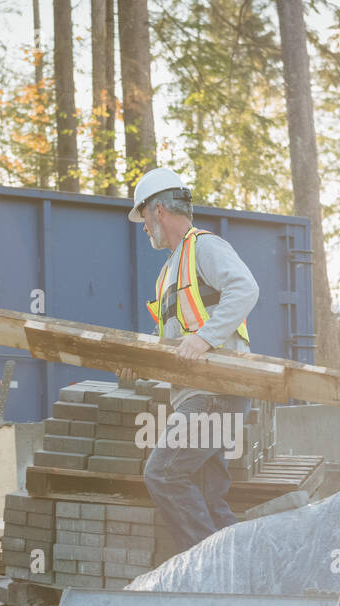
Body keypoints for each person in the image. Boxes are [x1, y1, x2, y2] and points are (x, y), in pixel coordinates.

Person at [119, 167, 259, 553]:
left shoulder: (204, 247)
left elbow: (245, 288)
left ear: (158, 210)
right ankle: (241, 576)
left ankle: (205, 568)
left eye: (143, 218)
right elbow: (173, 343)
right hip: (200, 394)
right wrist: (140, 366)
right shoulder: (168, 272)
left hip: (214, 391)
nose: (144, 228)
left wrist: (205, 338)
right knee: (208, 498)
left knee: (163, 473)